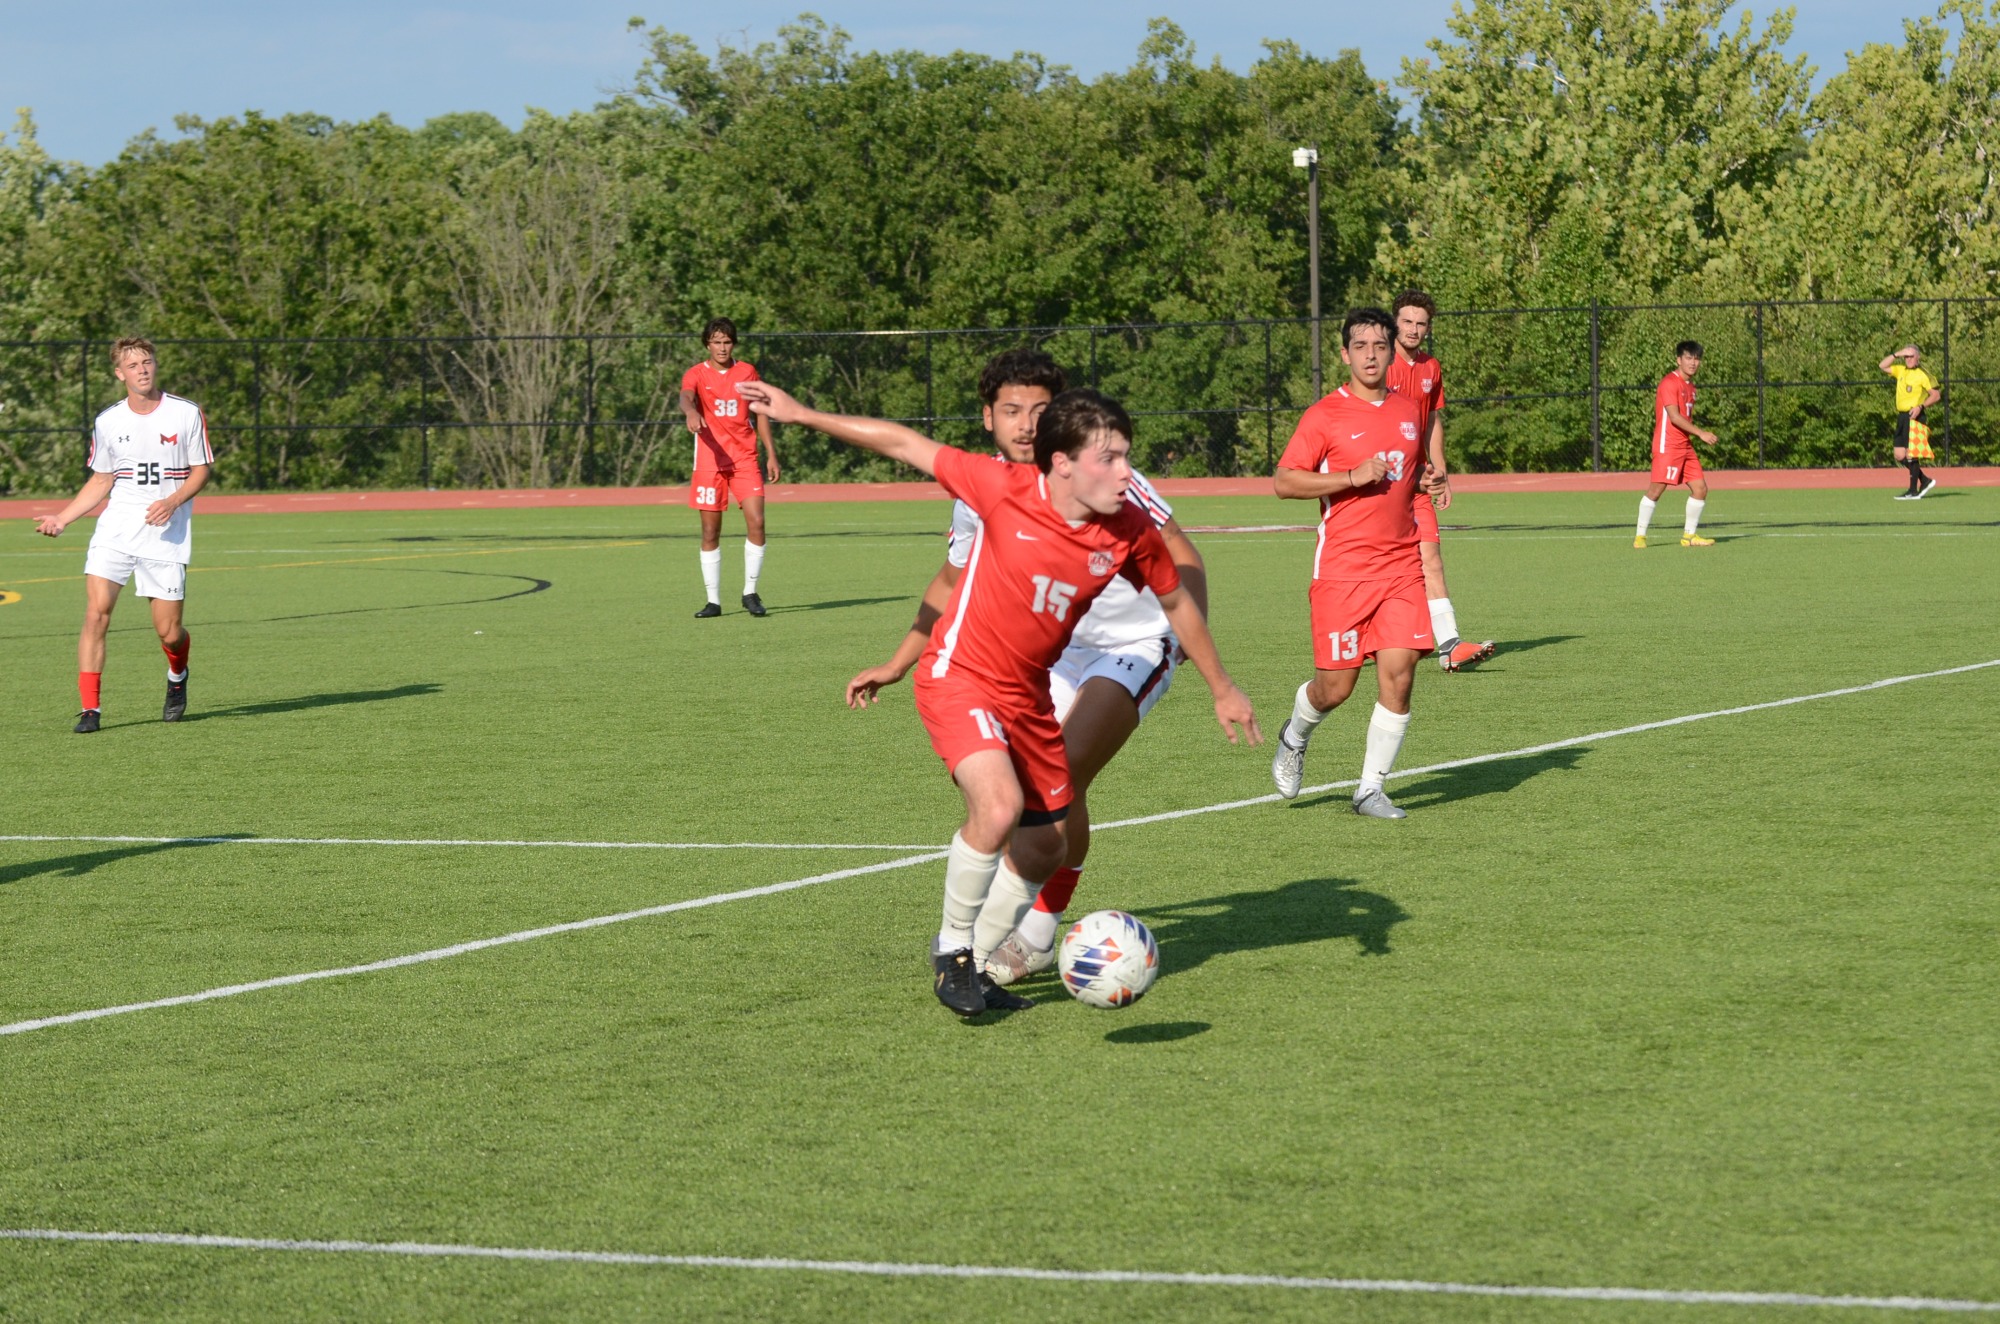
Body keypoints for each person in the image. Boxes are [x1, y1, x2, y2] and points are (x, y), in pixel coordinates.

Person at [740, 378, 1259, 1017]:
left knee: (1046, 845)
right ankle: (955, 954)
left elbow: (1176, 597)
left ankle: (979, 962)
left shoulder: (1129, 528)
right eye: (1111, 458)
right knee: (1001, 807)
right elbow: (906, 444)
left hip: (1034, 689)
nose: (1126, 470)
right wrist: (801, 414)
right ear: (1062, 464)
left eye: (1127, 455)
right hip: (960, 674)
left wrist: (1222, 686)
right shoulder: (996, 487)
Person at [844, 349, 1212, 987]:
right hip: (1054, 653)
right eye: (1012, 411)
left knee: (1061, 771)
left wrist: (1186, 640)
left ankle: (1037, 933)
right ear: (989, 419)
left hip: (1135, 644)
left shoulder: (1108, 480)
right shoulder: (983, 491)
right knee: (1048, 797)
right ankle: (991, 939)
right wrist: (901, 659)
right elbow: (951, 581)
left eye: (1040, 412)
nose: (1025, 425)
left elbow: (1182, 555)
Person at [1269, 308, 1441, 819]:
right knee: (1335, 688)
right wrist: (1350, 476)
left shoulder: (1410, 410)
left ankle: (1370, 789)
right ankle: (1295, 735)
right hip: (1342, 572)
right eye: (1360, 346)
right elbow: (1284, 481)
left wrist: (1425, 481)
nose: (1371, 354)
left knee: (1400, 673)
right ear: (1344, 354)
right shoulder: (1325, 415)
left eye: (1380, 345)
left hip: (1400, 567)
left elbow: (1406, 477)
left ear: (1392, 352)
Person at [33, 337, 212, 732]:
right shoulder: (109, 420)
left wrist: (173, 500)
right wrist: (63, 519)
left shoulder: (185, 413)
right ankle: (90, 710)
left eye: (147, 362)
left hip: (166, 535)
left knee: (169, 631)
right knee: (97, 613)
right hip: (115, 530)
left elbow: (201, 470)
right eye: (133, 366)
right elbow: (101, 480)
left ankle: (177, 674)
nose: (142, 370)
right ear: (120, 374)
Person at [1387, 291, 1495, 672]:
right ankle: (1357, 631)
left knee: (1430, 557)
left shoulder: (1432, 367)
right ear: (1394, 323)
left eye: (1421, 323)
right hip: (1380, 487)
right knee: (1377, 566)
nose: (1414, 329)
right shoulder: (1379, 366)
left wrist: (1440, 473)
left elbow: (1432, 420)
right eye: (1408, 322)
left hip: (1418, 484)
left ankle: (1449, 644)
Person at [680, 318, 779, 616]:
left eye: (727, 341)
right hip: (710, 462)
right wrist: (691, 411)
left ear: (733, 343)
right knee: (710, 532)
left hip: (744, 459)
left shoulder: (747, 371)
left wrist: (772, 453)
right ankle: (713, 601)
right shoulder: (697, 373)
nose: (722, 347)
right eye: (716, 341)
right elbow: (685, 397)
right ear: (707, 344)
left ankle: (750, 593)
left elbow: (760, 411)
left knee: (757, 522)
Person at [1634, 341, 1717, 549]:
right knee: (1656, 490)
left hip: (1684, 445)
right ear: (1678, 360)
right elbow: (1674, 417)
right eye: (1688, 358)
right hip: (1668, 445)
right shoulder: (1669, 383)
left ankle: (1689, 536)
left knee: (1700, 488)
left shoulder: (1691, 386)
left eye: (1697, 358)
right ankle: (1640, 537)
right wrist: (1701, 433)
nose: (1693, 363)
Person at [1880, 344, 1941, 499]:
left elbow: (1936, 395)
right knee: (1899, 454)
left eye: (1911, 356)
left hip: (1915, 416)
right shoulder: (1901, 370)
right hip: (1902, 416)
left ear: (1918, 357)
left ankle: (1913, 491)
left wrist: (1921, 406)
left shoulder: (1922, 374)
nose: (1908, 359)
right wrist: (1898, 353)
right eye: (1906, 356)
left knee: (1911, 454)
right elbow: (1882, 365)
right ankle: (1925, 480)